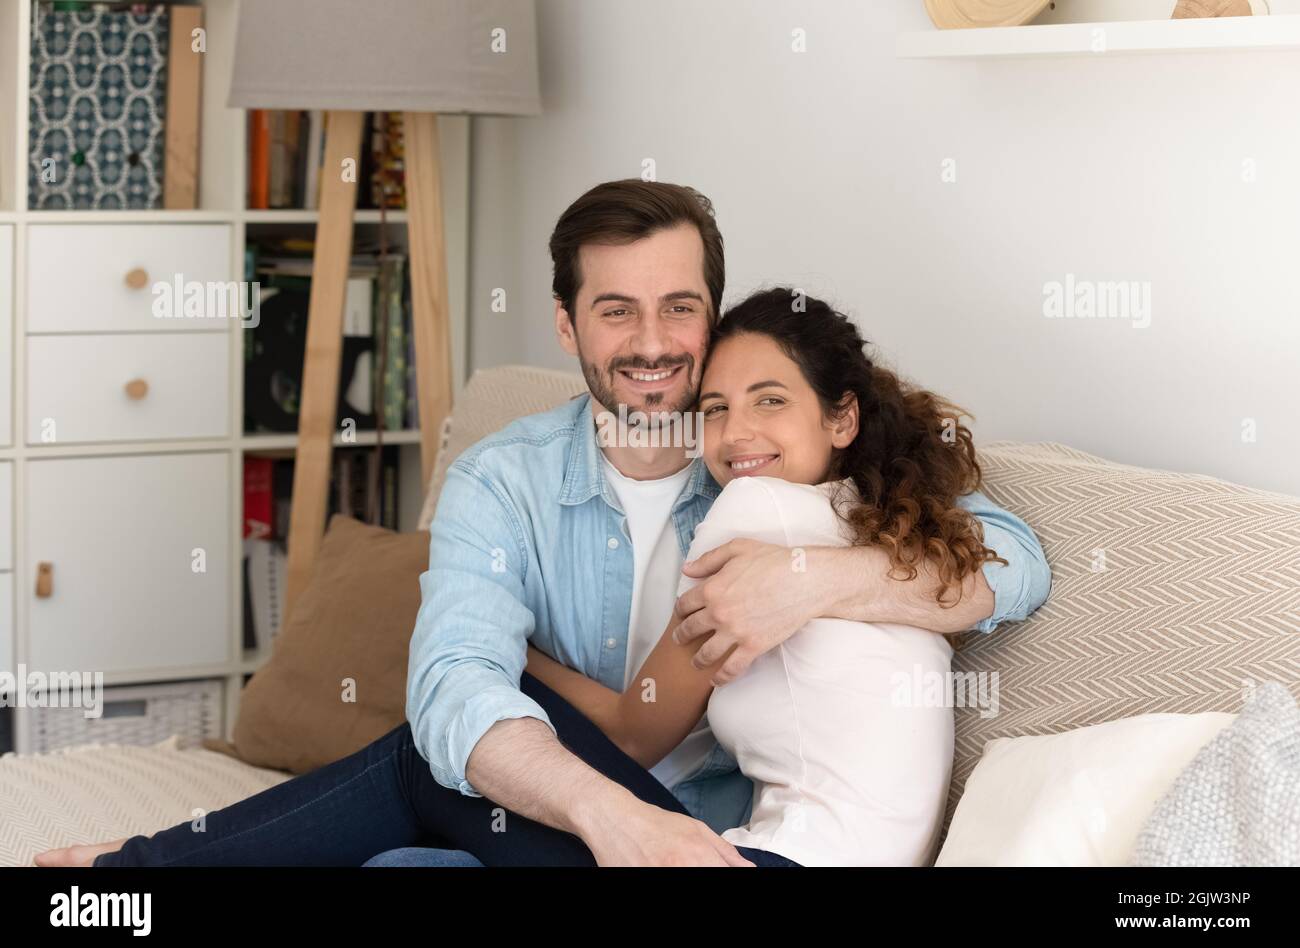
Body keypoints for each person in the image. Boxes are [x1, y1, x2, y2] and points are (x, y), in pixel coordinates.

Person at [36, 180, 1050, 868]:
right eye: (616, 310)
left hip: (717, 840)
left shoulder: (760, 481)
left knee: (410, 796)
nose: (653, 344)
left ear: (713, 312)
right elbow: (458, 693)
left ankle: (137, 877)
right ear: (566, 324)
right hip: (571, 815)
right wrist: (609, 815)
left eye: (679, 307)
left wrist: (816, 582)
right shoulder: (504, 480)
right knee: (413, 847)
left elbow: (1021, 558)